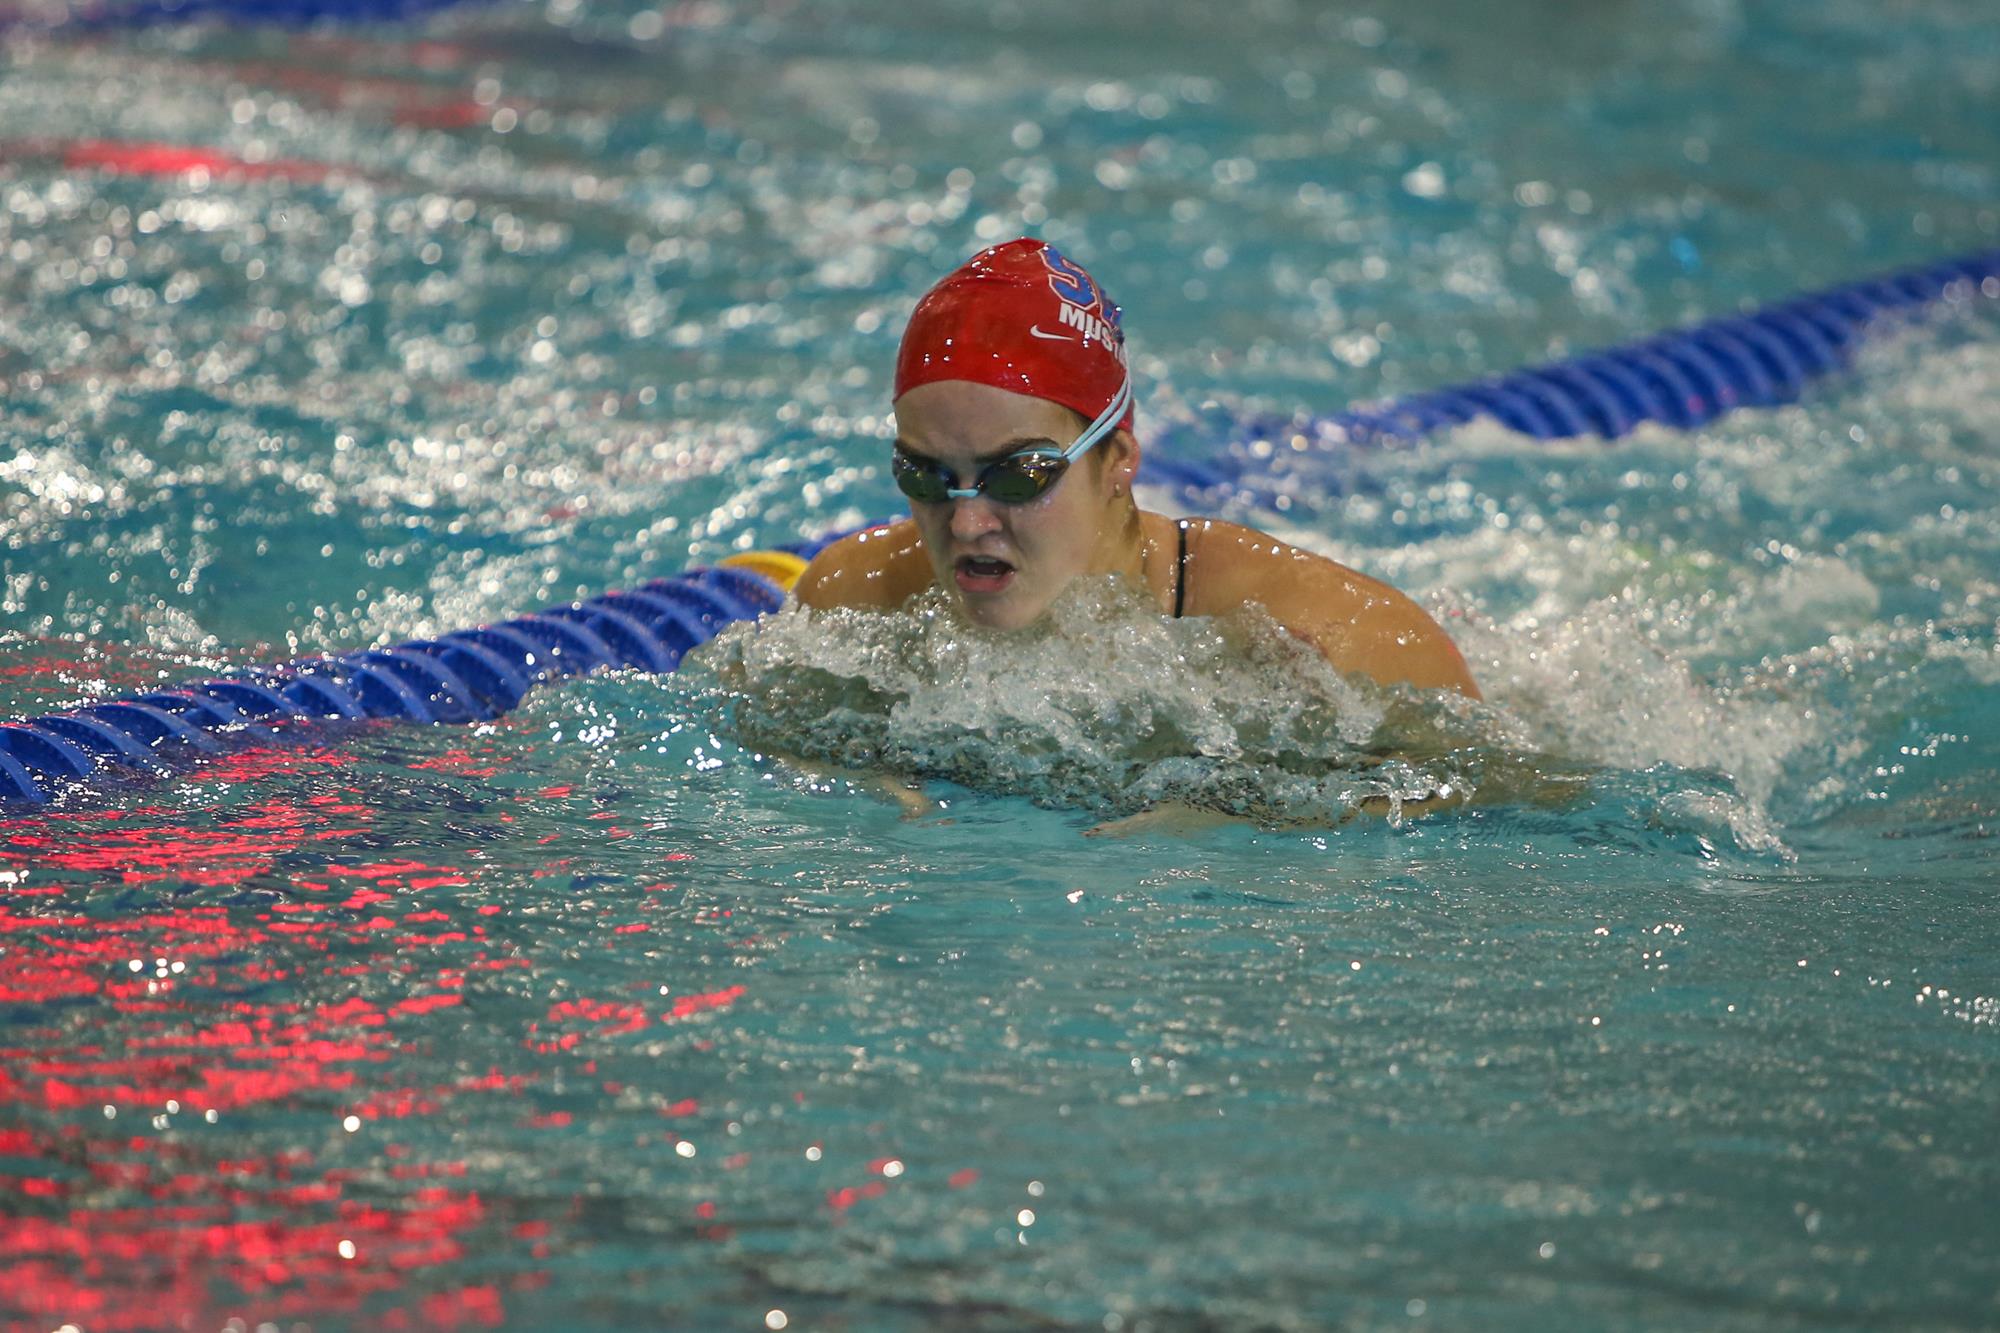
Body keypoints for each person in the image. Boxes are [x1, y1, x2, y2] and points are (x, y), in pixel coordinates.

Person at [794, 237, 1479, 700]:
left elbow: (1493, 795)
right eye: (926, 476)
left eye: (1018, 476)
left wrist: (1235, 811)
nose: (967, 522)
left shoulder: (1322, 638)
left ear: (1117, 460)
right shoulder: (855, 602)